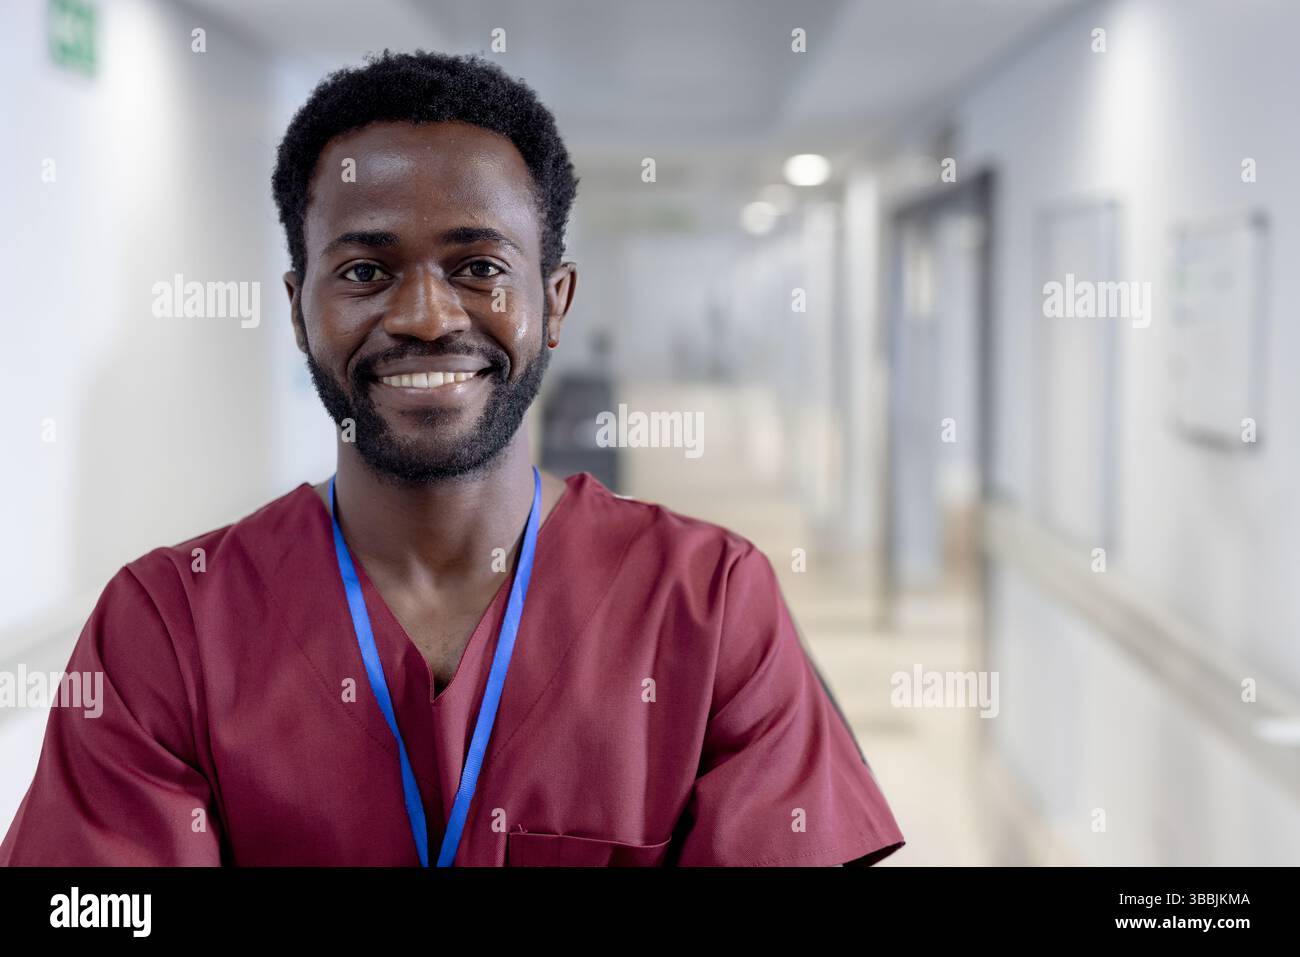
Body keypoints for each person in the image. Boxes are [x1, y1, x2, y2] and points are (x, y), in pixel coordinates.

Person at [1, 51, 903, 866]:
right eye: (364, 271)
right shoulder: (164, 629)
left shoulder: (710, 605)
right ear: (297, 307)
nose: (427, 315)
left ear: (555, 301)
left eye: (479, 267)